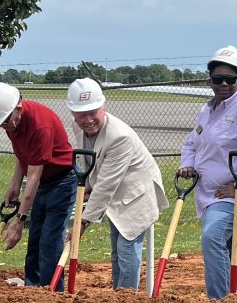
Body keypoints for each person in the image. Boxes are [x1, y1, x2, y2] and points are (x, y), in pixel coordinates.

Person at [177, 45, 237, 299]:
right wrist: (188, 164)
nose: (223, 84)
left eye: (230, 79)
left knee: (213, 238)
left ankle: (220, 302)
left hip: (232, 194)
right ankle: (235, 300)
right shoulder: (207, 110)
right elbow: (191, 143)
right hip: (207, 194)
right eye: (217, 79)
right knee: (228, 245)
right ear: (210, 80)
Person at [65, 78, 168, 290]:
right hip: (116, 195)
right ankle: (117, 294)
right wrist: (89, 187)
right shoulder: (78, 128)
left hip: (136, 195)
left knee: (126, 248)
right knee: (116, 250)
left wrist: (83, 221)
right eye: (82, 114)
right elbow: (93, 162)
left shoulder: (119, 137)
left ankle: (127, 297)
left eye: (93, 112)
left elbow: (107, 185)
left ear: (104, 107)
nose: (89, 119)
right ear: (73, 114)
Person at [0, 80, 77, 289]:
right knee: (35, 238)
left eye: (5, 121)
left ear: (18, 108)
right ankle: (33, 286)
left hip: (61, 181)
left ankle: (52, 291)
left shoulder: (40, 125)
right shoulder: (12, 121)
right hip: (42, 180)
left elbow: (33, 176)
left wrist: (20, 219)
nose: (4, 126)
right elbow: (22, 154)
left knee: (49, 238)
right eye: (1, 123)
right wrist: (14, 184)